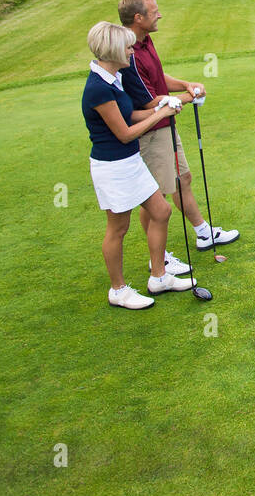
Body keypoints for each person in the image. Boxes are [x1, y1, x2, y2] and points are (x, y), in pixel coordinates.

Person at [83, 21, 197, 309]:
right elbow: (124, 133)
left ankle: (159, 277)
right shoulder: (98, 88)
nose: (131, 51)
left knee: (161, 210)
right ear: (112, 50)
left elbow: (130, 113)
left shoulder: (114, 78)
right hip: (112, 166)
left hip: (130, 161)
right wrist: (160, 115)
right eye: (126, 47)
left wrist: (159, 105)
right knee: (118, 228)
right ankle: (118, 290)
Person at [117, 0, 239, 259]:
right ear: (138, 18)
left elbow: (159, 78)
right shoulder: (130, 55)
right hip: (149, 132)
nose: (159, 14)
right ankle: (158, 261)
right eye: (154, 11)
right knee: (155, 197)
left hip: (164, 127)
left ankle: (203, 232)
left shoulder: (145, 40)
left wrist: (186, 85)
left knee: (183, 178)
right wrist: (190, 96)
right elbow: (153, 104)